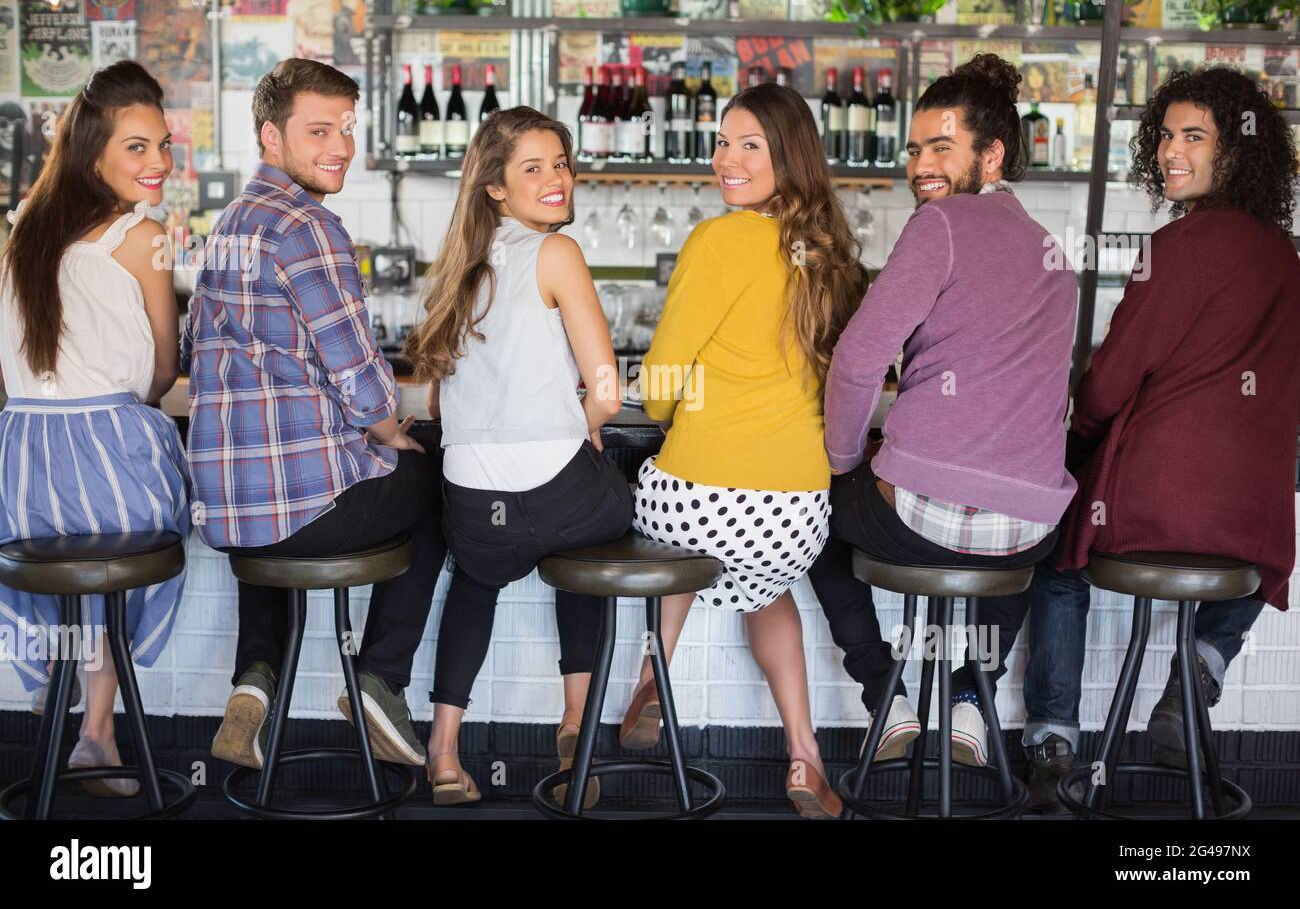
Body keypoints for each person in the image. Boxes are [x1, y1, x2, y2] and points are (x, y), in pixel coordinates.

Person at [1021, 66, 1300, 811]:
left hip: (1152, 498)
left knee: (1058, 556)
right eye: (1167, 135)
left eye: (1194, 136)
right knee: (1252, 551)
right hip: (1255, 513)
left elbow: (1110, 385)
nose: (1174, 151)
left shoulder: (1176, 246)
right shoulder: (1286, 256)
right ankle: (1197, 670)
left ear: (1235, 153)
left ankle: (1052, 741)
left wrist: (1073, 439)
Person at [808, 54, 1077, 772]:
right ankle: (969, 702)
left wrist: (842, 466)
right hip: (1028, 531)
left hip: (915, 519)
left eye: (941, 146)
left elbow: (859, 361)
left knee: (814, 519)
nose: (920, 163)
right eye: (915, 146)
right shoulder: (1056, 252)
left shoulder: (942, 225)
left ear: (992, 154)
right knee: (1020, 540)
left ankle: (885, 695)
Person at [182, 59, 443, 771]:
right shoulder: (310, 227)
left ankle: (253, 685)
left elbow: (190, 347)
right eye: (319, 129)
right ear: (271, 135)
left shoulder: (229, 225)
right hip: (300, 511)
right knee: (436, 485)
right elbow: (363, 380)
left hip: (232, 518)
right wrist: (392, 432)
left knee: (284, 511)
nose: (342, 145)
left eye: (348, 128)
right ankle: (381, 682)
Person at [625, 82, 869, 818]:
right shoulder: (832, 254)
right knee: (770, 593)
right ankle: (805, 757)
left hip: (697, 502)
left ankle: (653, 679)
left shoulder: (717, 238)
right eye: (723, 140)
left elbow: (663, 375)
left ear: (787, 157)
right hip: (795, 515)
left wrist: (660, 407)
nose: (726, 159)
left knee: (670, 543)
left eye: (749, 145)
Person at [404, 106, 630, 806]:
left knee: (474, 582)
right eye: (533, 168)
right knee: (593, 553)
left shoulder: (455, 269)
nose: (556, 178)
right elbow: (610, 394)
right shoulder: (557, 253)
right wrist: (583, 424)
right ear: (496, 186)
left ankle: (444, 752)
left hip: (476, 510)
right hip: (564, 500)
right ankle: (574, 728)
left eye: (560, 162)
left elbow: (437, 406)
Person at [0, 61, 189, 797]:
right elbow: (165, 370)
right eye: (137, 147)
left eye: (163, 144)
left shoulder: (23, 228)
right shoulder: (141, 237)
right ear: (93, 154)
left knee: (67, 573)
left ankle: (57, 703)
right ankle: (97, 731)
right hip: (106, 451)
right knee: (124, 553)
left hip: (19, 464)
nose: (160, 162)